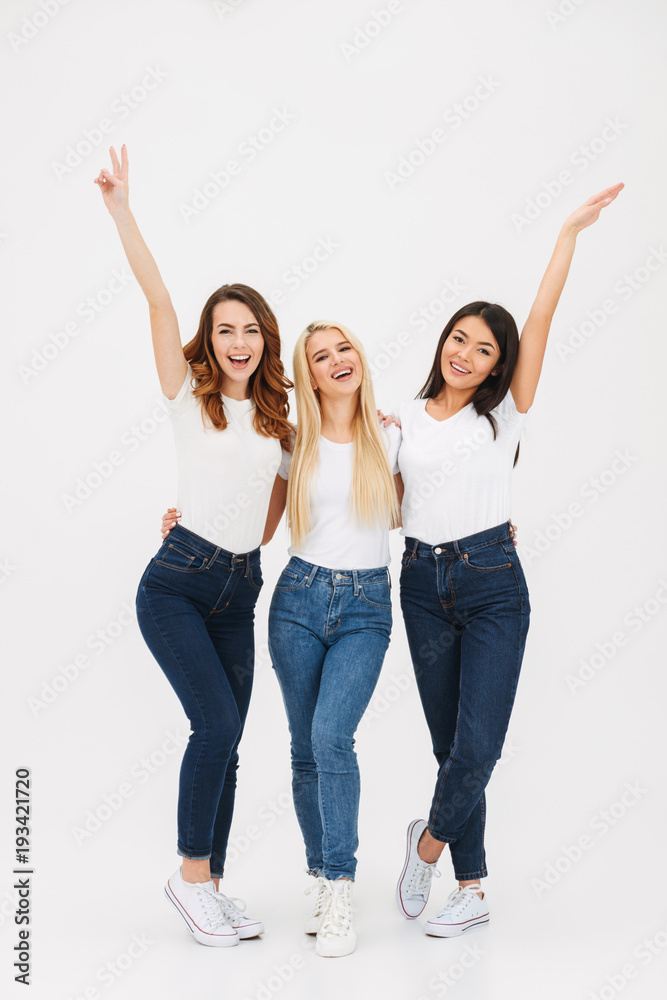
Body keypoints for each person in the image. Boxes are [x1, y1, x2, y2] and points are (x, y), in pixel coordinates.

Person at [393, 184, 624, 937]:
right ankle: (473, 889)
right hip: (420, 583)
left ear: (499, 366)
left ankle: (427, 847)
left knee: (478, 746)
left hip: (493, 583)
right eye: (459, 339)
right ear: (443, 342)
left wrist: (567, 235)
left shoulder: (503, 414)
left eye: (484, 349)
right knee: (448, 746)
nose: (466, 354)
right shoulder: (400, 421)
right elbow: (373, 502)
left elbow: (541, 316)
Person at [94, 145, 293, 947]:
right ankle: (187, 878)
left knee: (229, 743)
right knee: (214, 725)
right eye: (223, 330)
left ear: (265, 340)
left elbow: (271, 522)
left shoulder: (280, 426)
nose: (237, 341)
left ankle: (211, 883)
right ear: (208, 342)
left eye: (249, 330)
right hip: (176, 585)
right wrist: (122, 210)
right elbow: (156, 298)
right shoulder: (189, 396)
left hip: (239, 588)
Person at [262, 321, 400, 958]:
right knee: (304, 749)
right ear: (310, 375)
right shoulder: (293, 443)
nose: (338, 359)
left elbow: (424, 508)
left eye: (345, 348)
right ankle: (320, 876)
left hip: (367, 607)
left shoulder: (391, 437)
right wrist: (185, 524)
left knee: (330, 736)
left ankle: (342, 886)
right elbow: (259, 528)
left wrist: (494, 524)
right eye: (321, 356)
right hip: (297, 599)